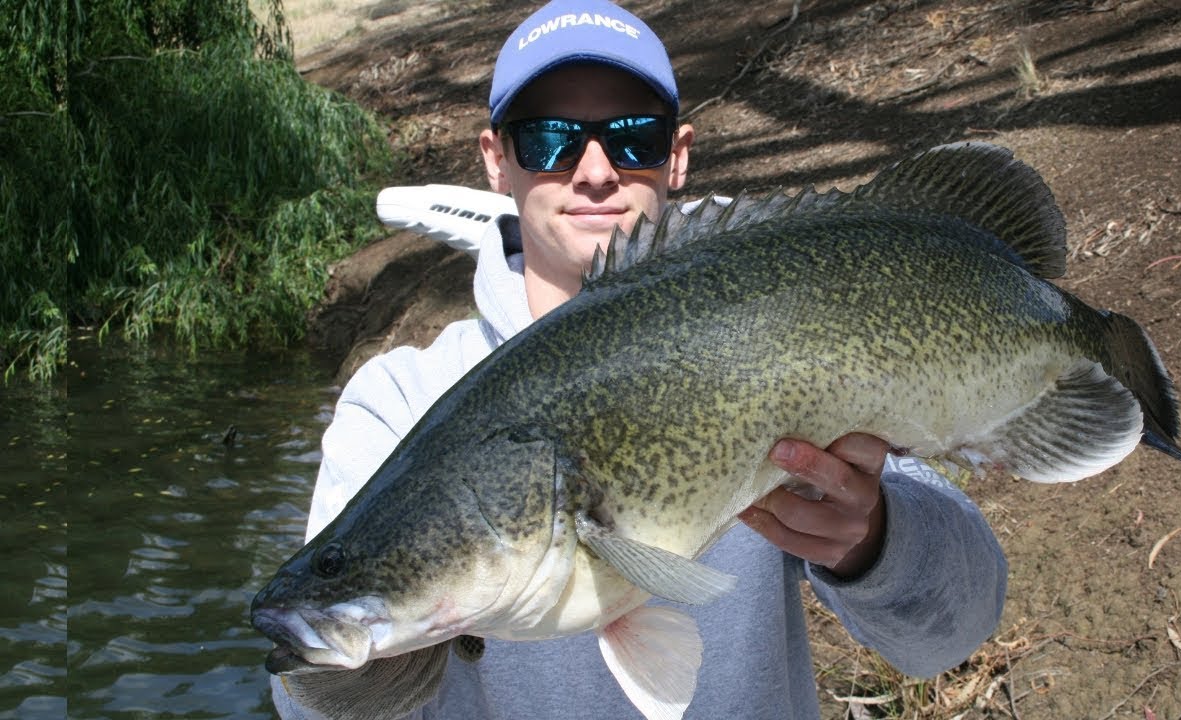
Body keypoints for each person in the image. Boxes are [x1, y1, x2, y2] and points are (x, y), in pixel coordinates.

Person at [272, 0, 1007, 718]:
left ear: (677, 156)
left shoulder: (772, 321)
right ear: (497, 160)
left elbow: (954, 632)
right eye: (551, 139)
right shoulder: (400, 397)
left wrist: (875, 541)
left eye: (632, 137)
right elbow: (309, 703)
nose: (594, 170)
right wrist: (377, 654)